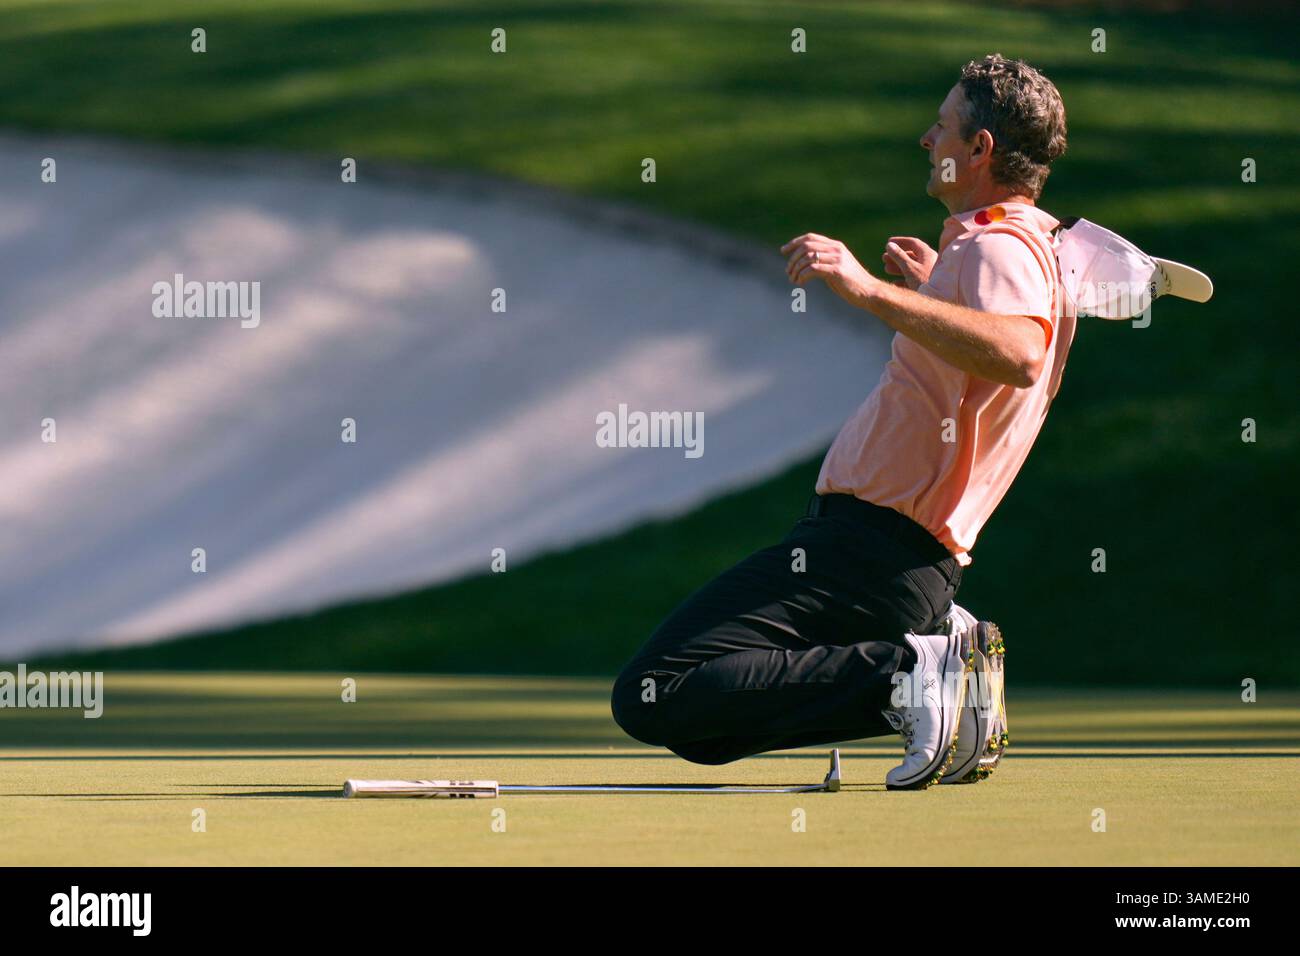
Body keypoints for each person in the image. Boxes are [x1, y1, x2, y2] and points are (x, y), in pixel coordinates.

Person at [611, 54, 1071, 790]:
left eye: (945, 125)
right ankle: (940, 678)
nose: (929, 138)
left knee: (654, 691)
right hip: (891, 560)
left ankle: (918, 674)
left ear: (981, 150)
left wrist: (861, 288)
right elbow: (990, 353)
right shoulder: (1004, 245)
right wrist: (932, 294)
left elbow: (1019, 352)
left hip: (871, 549)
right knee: (706, 730)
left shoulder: (999, 244)